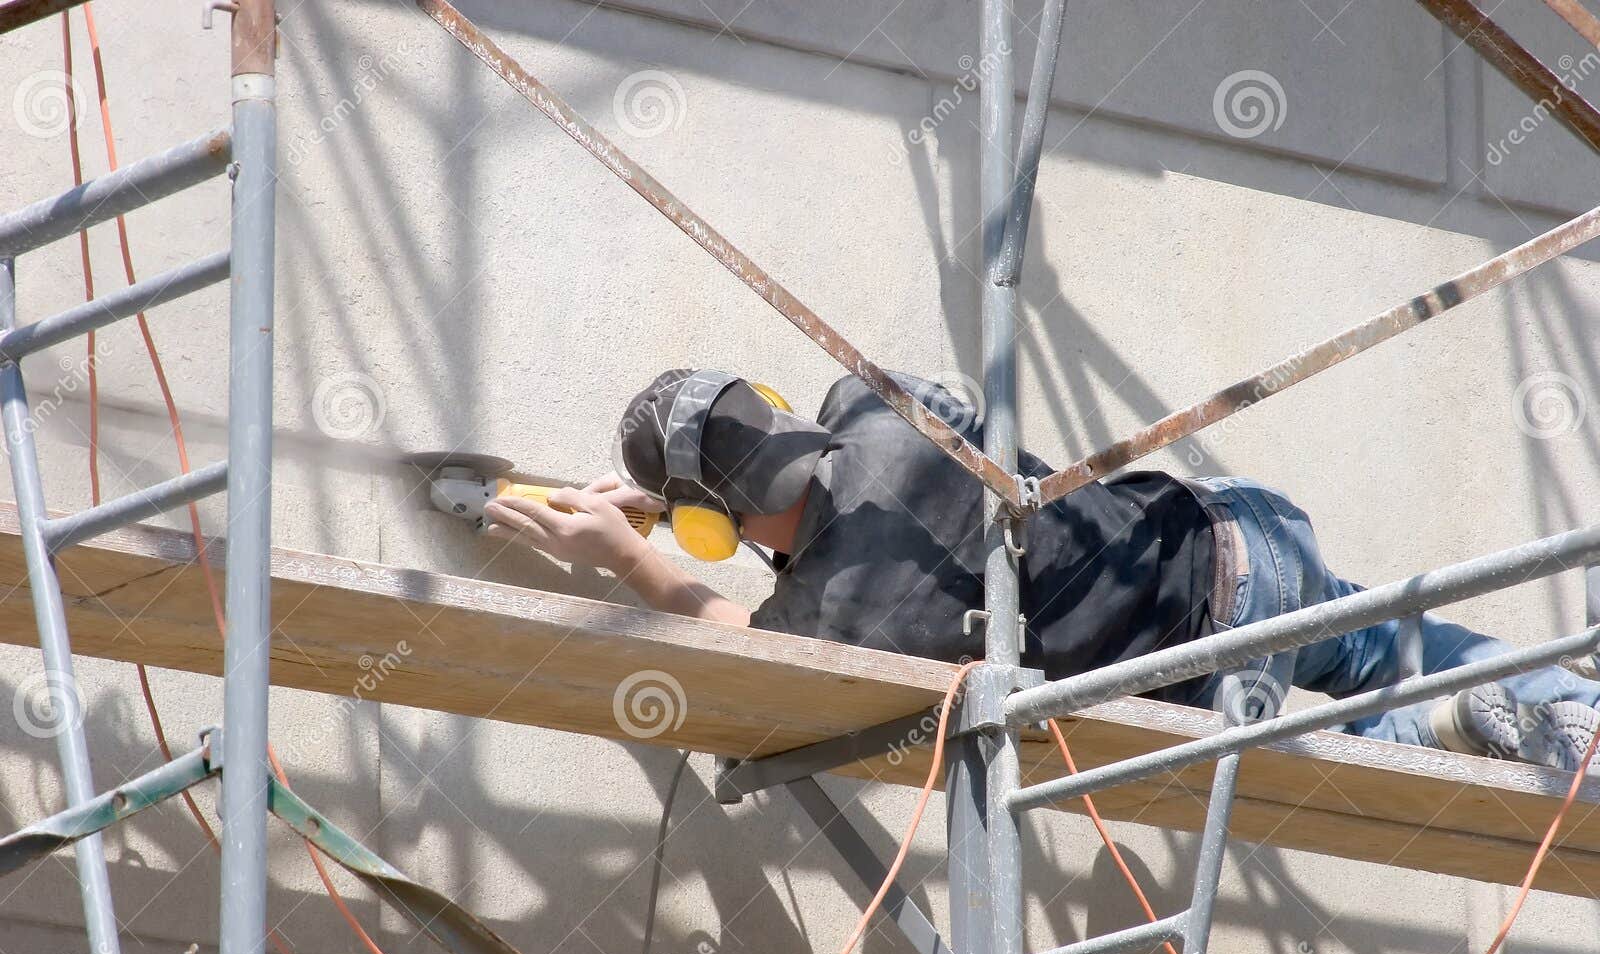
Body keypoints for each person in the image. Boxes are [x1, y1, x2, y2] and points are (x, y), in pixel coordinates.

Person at [484, 368, 1600, 771]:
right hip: (1239, 536)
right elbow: (844, 451)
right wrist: (682, 503)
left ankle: (1456, 728)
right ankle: (1557, 699)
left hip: (1202, 663)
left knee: (1361, 739)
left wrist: (633, 555)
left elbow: (746, 648)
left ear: (713, 529)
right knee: (1385, 638)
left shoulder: (843, 611)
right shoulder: (868, 406)